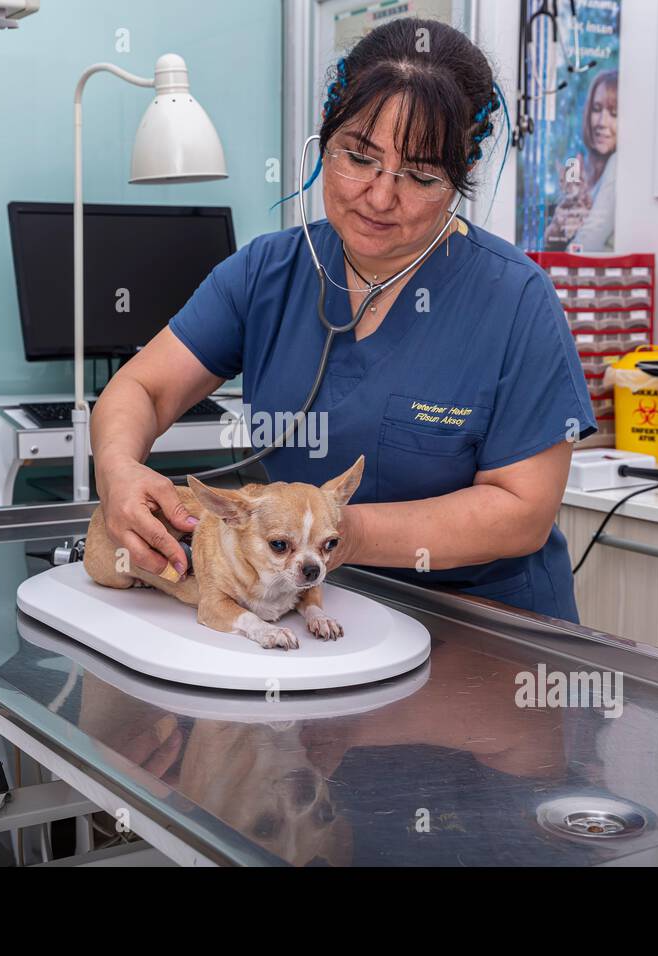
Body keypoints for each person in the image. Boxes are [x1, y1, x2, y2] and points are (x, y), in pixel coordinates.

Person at [90, 17, 597, 622]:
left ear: (459, 179)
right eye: (358, 156)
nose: (380, 197)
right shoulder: (267, 272)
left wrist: (344, 533)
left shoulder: (515, 300)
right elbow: (141, 387)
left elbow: (522, 514)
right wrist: (118, 471)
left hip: (479, 631)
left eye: (421, 176)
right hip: (311, 617)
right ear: (323, 142)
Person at [545, 68, 617, 252]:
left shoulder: (618, 165)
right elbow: (552, 239)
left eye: (614, 113)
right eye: (596, 109)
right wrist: (556, 230)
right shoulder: (578, 164)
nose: (602, 122)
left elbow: (587, 242)